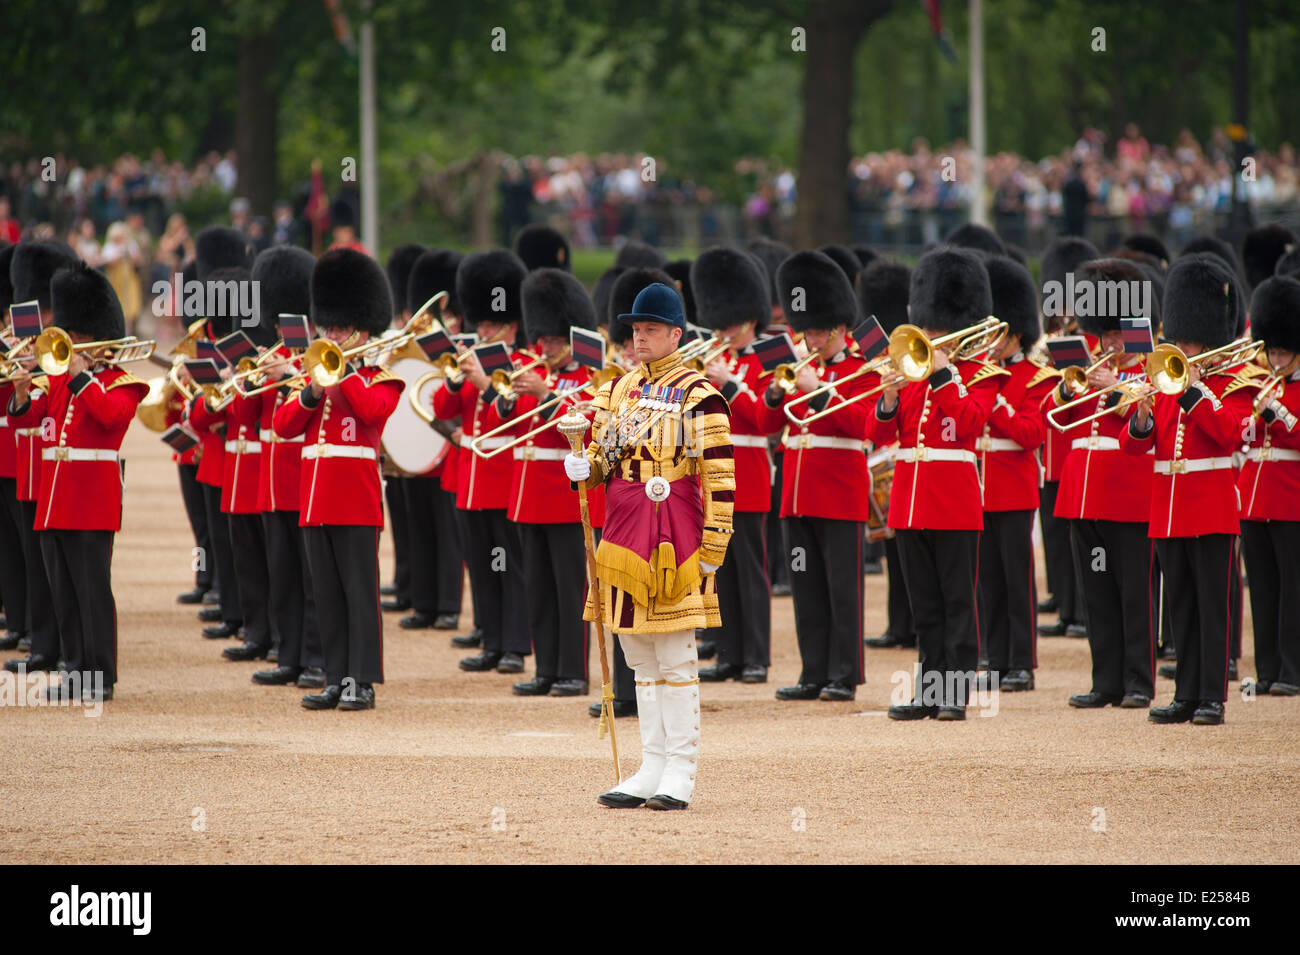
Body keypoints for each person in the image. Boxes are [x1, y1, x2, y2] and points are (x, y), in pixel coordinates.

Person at [565, 281, 733, 811]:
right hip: (624, 529)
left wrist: (715, 543)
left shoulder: (700, 395)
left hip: (675, 535)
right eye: (635, 329)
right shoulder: (618, 391)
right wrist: (584, 466)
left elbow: (721, 477)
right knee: (639, 656)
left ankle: (681, 769)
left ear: (675, 335)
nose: (639, 338)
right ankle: (651, 764)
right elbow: (603, 455)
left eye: (650, 330)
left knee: (677, 656)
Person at [7, 261, 150, 701]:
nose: (69, 345)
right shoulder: (57, 382)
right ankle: (74, 670)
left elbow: (111, 419)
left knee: (91, 590)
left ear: (96, 341)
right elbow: (32, 422)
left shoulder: (121, 383)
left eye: (77, 339)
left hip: (91, 498)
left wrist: (80, 375)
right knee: (63, 591)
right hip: (54, 496)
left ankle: (100, 675)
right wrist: (19, 393)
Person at [871, 247, 1002, 721]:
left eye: (936, 329)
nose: (928, 336)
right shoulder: (910, 373)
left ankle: (955, 694)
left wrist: (944, 373)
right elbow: (879, 434)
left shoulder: (983, 375)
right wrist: (888, 396)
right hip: (909, 500)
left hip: (953, 500)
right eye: (927, 327)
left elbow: (968, 424)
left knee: (956, 603)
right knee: (924, 604)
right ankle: (928, 691)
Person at [1123, 254, 1253, 725]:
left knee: (1212, 605)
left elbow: (1230, 432)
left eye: (1191, 339)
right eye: (1179, 338)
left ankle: (1212, 696)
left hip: (1211, 507)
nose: (1183, 347)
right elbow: (1135, 448)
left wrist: (1196, 391)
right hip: (1168, 508)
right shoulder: (1162, 384)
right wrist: (1139, 417)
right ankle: (1185, 693)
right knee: (1179, 605)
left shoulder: (1233, 383)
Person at [273, 248, 404, 710]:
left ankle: (361, 681)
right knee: (325, 593)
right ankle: (334, 676)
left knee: (358, 593)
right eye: (329, 328)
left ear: (363, 331)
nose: (332, 335)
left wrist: (342, 373)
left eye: (341, 329)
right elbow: (283, 426)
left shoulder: (381, 378)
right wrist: (312, 387)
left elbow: (372, 413)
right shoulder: (312, 375)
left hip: (355, 498)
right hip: (314, 498)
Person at [489, 268, 603, 696]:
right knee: (537, 587)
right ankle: (547, 668)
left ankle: (574, 671)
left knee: (569, 588)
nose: (548, 346)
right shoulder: (530, 368)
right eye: (546, 339)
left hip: (565, 497)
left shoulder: (592, 375)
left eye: (556, 340)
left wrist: (545, 393)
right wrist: (505, 397)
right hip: (528, 496)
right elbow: (504, 422)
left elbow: (584, 425)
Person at [764, 251, 872, 702]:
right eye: (806, 331)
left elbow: (864, 424)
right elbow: (769, 427)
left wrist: (817, 394)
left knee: (841, 588)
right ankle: (813, 672)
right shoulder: (800, 369)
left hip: (839, 491)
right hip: (797, 492)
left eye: (819, 332)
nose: (811, 339)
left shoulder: (860, 369)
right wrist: (774, 395)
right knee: (806, 589)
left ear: (841, 330)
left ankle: (844, 674)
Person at [1052, 258, 1157, 710]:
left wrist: (1113, 387)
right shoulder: (1090, 368)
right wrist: (1067, 390)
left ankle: (1138, 681)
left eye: (1117, 334)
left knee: (1134, 592)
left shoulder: (1151, 370)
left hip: (1129, 497)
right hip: (1085, 497)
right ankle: (1106, 681)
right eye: (1105, 334)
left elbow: (1145, 423)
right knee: (1096, 593)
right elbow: (1052, 420)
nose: (1110, 342)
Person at [432, 250, 532, 674]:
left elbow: (507, 419)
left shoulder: (522, 366)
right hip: (470, 477)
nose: (484, 330)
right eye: (481, 324)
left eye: (492, 325)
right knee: (483, 565)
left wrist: (486, 384)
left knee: (509, 565)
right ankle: (491, 641)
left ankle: (514, 645)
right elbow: (441, 406)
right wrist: (457, 377)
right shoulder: (472, 357)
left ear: (511, 327)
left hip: (503, 476)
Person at [242, 246, 327, 689]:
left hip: (304, 482)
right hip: (272, 486)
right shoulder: (271, 357)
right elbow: (242, 414)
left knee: (313, 581)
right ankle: (287, 653)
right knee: (283, 575)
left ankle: (315, 658)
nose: (280, 329)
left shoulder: (315, 360)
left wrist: (289, 371)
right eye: (275, 322)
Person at [975, 256, 1058, 691]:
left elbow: (1030, 434)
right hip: (980, 486)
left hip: (1014, 486)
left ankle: (1022, 662)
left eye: (999, 334)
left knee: (1016, 577)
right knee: (988, 579)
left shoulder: (1036, 377)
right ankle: (997, 657)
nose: (992, 342)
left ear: (1017, 335)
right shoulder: (977, 375)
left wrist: (997, 404)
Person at [695, 247, 776, 684]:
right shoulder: (712, 358)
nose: (722, 330)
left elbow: (766, 418)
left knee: (749, 569)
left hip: (748, 473)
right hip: (713, 476)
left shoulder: (766, 360)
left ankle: (757, 657)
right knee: (719, 570)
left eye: (728, 322)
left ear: (748, 318)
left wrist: (731, 384)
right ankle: (728, 653)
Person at [2, 241, 78, 671]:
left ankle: (66, 649)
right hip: (25, 462)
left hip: (52, 466)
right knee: (32, 559)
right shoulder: (25, 339)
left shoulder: (59, 347)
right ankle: (41, 642)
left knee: (58, 569)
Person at [1236, 276, 1300, 696]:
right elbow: (1241, 436)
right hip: (1254, 499)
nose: (1275, 359)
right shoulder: (1261, 384)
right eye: (1270, 351)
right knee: (1262, 587)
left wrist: (1274, 412)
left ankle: (1292, 671)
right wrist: (1253, 418)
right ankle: (1267, 670)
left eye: (1281, 351)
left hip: (1291, 499)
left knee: (1292, 589)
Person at [1035, 237, 1098, 640]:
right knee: (1056, 533)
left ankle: (1079, 610)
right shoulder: (1049, 339)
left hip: (1076, 448)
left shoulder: (1090, 343)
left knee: (1079, 533)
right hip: (1052, 451)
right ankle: (1064, 602)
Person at [856, 259, 917, 651]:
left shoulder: (912, 349)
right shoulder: (872, 347)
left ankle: (910, 622)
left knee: (909, 546)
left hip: (908, 456)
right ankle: (899, 623)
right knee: (892, 544)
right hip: (884, 451)